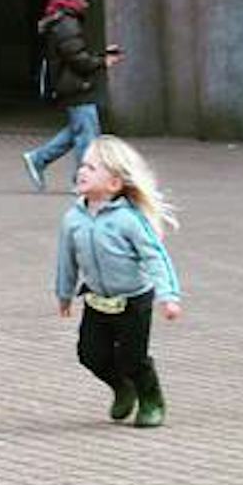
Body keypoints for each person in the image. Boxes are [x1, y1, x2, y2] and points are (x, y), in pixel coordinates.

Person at [54, 134, 182, 428]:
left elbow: (155, 257)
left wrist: (168, 296)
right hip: (97, 300)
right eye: (82, 165)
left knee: (132, 358)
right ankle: (122, 387)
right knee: (90, 354)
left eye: (92, 168)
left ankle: (150, 398)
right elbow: (66, 259)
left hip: (133, 300)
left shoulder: (129, 220)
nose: (82, 171)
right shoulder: (73, 219)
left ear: (113, 184)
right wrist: (63, 294)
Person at [22, 0, 121, 190]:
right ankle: (82, 181)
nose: (87, 4)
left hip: (72, 84)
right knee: (87, 135)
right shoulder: (67, 23)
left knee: (79, 130)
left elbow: (75, 54)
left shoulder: (63, 20)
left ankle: (39, 159)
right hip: (75, 86)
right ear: (74, 0)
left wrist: (100, 57)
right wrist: (103, 61)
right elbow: (77, 60)